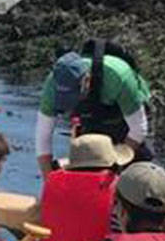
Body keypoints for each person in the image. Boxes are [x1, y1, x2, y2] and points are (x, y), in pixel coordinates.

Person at [33, 39, 152, 176]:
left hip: (126, 120)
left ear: (87, 81)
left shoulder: (118, 77)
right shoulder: (52, 85)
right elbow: (43, 138)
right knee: (85, 167)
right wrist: (49, 180)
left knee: (135, 174)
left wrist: (114, 168)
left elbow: (138, 129)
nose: (73, 104)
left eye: (74, 97)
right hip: (90, 121)